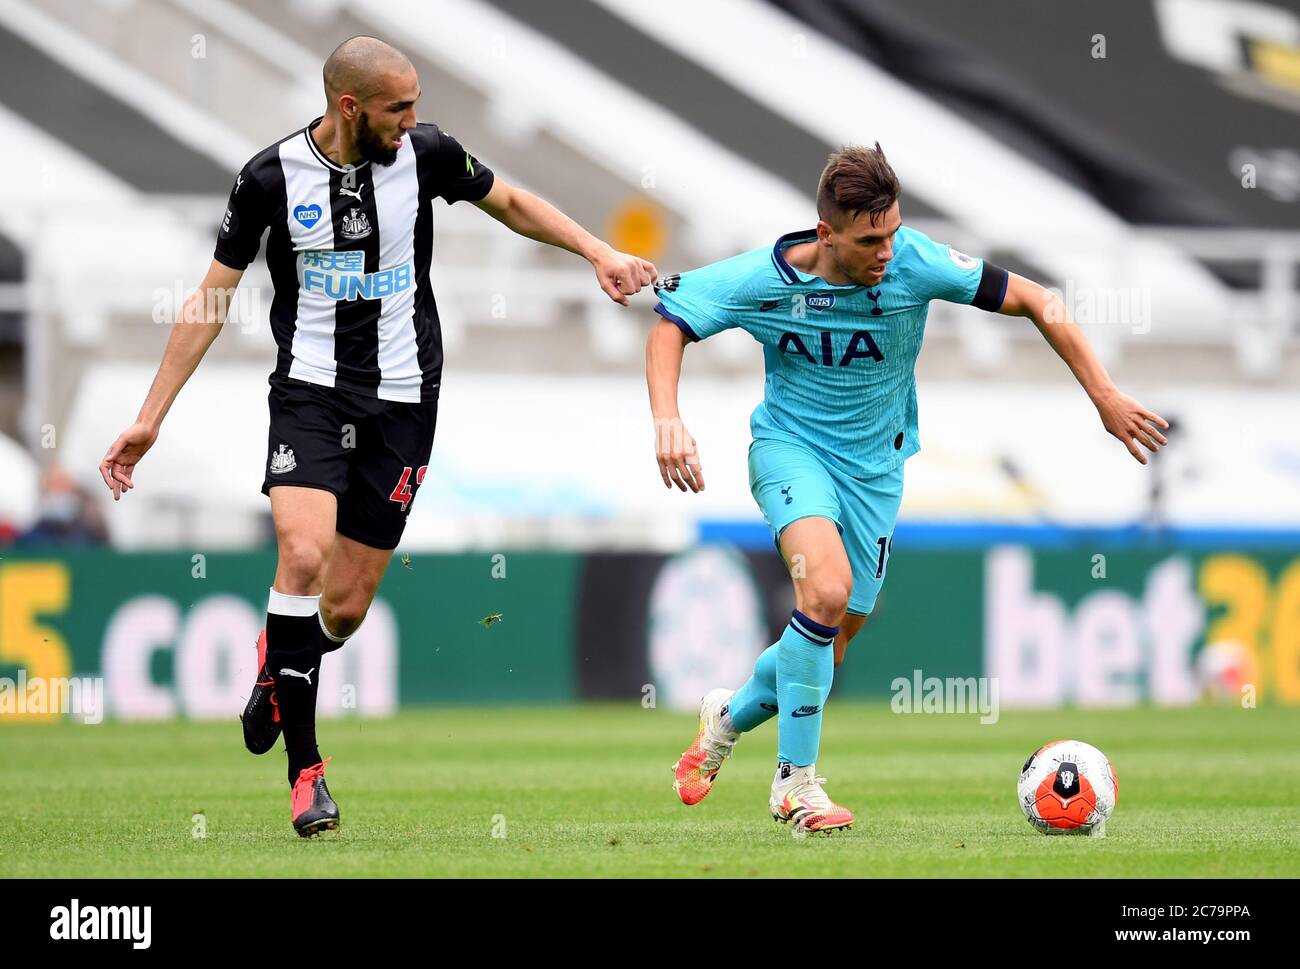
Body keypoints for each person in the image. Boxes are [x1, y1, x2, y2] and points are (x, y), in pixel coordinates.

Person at [99, 36, 656, 837]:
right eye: (399, 107)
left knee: (347, 607)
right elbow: (210, 299)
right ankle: (307, 772)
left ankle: (277, 659)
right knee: (301, 554)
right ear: (350, 106)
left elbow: (511, 202)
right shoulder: (268, 179)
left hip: (405, 401)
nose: (414, 120)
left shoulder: (425, 155)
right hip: (311, 396)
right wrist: (151, 416)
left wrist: (597, 251)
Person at [646, 143, 1167, 833]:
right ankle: (795, 785)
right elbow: (669, 324)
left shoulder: (916, 263)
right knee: (824, 592)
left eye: (892, 232)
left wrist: (1103, 395)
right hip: (790, 453)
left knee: (825, 646)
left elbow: (1039, 300)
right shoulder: (762, 279)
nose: (887, 251)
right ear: (826, 234)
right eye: (870, 240)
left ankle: (725, 720)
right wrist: (668, 420)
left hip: (876, 473)